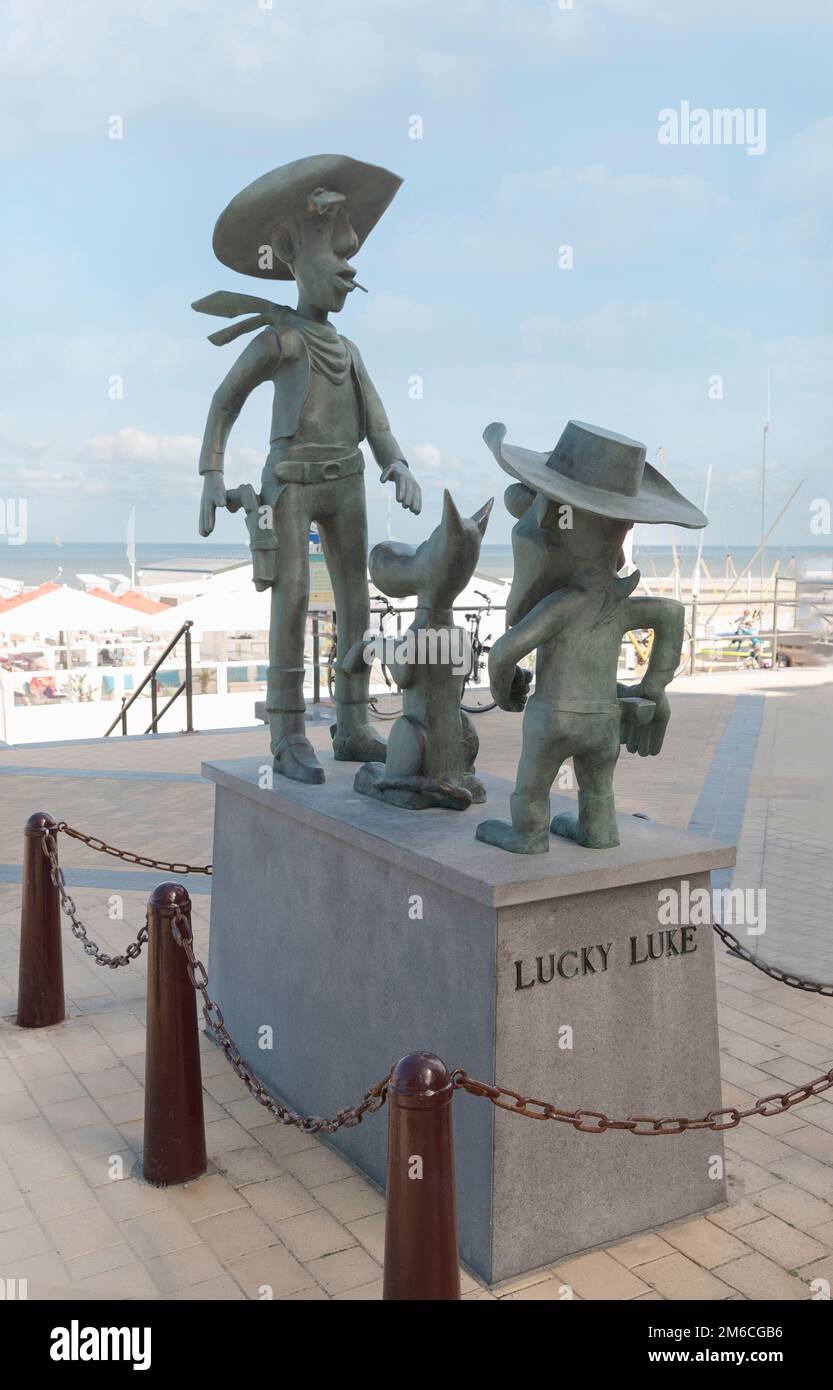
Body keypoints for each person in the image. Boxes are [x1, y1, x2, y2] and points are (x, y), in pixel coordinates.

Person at [194, 155, 422, 785]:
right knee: (291, 600)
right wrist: (212, 473)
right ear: (295, 256)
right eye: (337, 257)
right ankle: (288, 732)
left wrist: (396, 462)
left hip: (348, 482)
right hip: (290, 483)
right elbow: (225, 400)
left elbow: (375, 419)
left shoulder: (347, 350)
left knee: (357, 602)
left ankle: (352, 723)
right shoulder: (281, 339)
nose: (350, 270)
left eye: (352, 261)